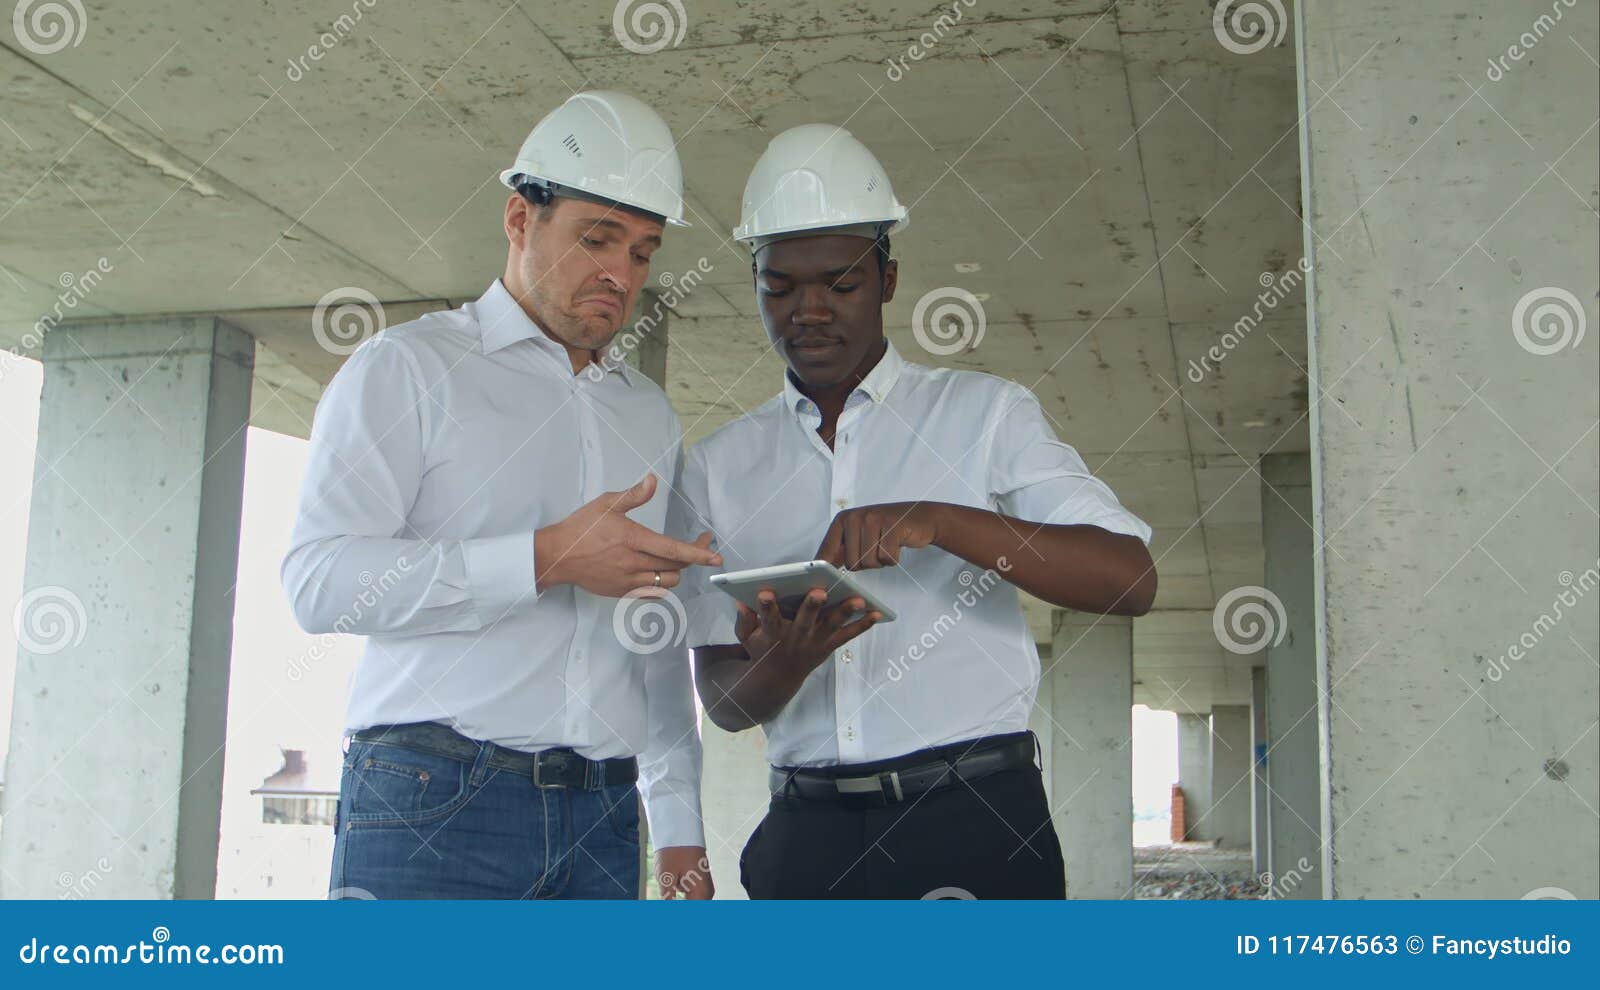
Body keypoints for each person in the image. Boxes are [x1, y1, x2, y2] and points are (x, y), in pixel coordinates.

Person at [668, 124, 1156, 899]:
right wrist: (786, 663)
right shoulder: (718, 467)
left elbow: (1129, 581)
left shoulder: (985, 415)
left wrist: (942, 521)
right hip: (807, 839)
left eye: (841, 282)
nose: (809, 310)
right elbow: (724, 703)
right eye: (781, 286)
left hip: (974, 826)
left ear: (888, 281)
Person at [282, 91, 718, 899]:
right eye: (598, 239)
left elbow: (652, 629)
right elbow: (319, 584)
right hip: (434, 803)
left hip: (605, 819)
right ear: (520, 218)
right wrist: (544, 558)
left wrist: (680, 821)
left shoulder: (646, 414)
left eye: (644, 252)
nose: (620, 275)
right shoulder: (406, 369)